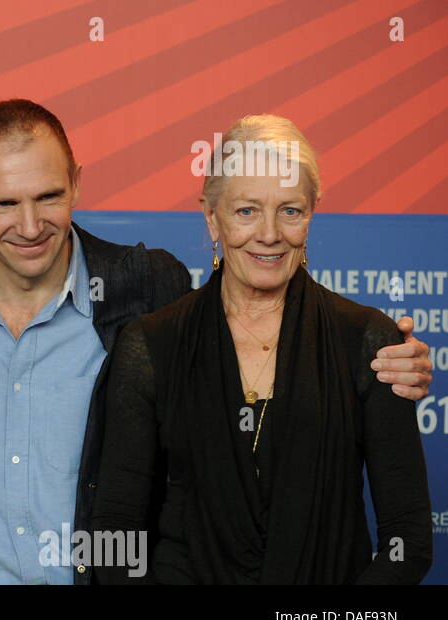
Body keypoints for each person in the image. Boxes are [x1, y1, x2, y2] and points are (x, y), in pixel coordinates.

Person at [0, 99, 434, 585]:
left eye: (290, 210)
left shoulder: (145, 287)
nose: (30, 224)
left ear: (76, 184)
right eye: (2, 204)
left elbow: (406, 538)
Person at [90, 115, 432, 584]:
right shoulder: (151, 343)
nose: (269, 234)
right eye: (247, 211)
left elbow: (409, 540)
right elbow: (113, 531)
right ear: (212, 216)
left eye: (289, 210)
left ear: (311, 213)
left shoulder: (369, 340)